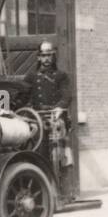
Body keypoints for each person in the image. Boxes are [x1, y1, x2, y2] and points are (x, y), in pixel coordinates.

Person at [28, 40, 73, 169]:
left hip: (55, 117)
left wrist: (59, 107)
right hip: (38, 118)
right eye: (43, 55)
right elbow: (22, 94)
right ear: (39, 57)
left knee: (60, 155)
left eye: (49, 55)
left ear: (53, 56)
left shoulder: (61, 76)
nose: (46, 59)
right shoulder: (31, 76)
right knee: (37, 151)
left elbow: (67, 96)